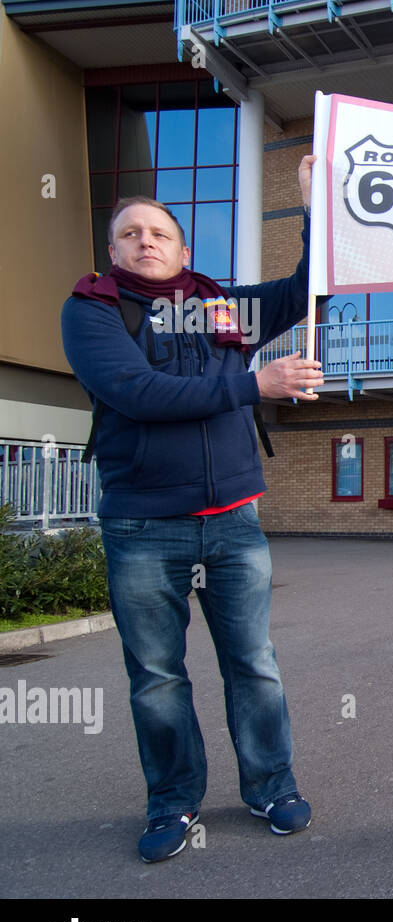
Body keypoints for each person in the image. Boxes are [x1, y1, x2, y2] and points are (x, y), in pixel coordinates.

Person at [61, 155, 325, 862]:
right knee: (157, 676)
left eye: (159, 232)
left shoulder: (216, 305)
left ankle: (271, 785)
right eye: (130, 234)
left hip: (234, 520)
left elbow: (307, 292)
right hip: (143, 525)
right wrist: (252, 383)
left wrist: (312, 205)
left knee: (253, 663)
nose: (146, 241)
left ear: (184, 250)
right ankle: (173, 802)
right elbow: (136, 393)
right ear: (113, 252)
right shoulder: (93, 310)